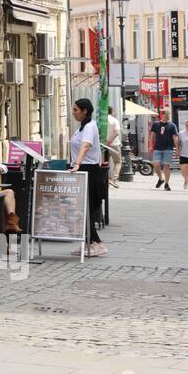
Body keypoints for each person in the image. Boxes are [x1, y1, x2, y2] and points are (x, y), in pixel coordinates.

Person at [69, 98, 107, 257]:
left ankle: (97, 244)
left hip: (89, 171)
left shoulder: (90, 127)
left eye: (76, 110)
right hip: (82, 169)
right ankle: (87, 243)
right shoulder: (81, 128)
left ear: (85, 111)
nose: (73, 113)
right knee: (81, 210)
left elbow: (85, 146)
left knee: (86, 210)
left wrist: (77, 163)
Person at [148, 111, 179, 191]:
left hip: (168, 148)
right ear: (162, 115)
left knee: (167, 166)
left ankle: (167, 184)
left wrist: (177, 149)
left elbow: (175, 137)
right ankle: (161, 178)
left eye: (168, 115)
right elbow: (151, 135)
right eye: (166, 115)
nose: (167, 117)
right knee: (155, 163)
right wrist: (151, 146)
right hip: (157, 148)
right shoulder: (156, 124)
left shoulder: (172, 125)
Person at [106, 110, 123, 188]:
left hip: (103, 144)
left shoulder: (102, 120)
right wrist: (109, 141)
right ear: (112, 112)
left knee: (105, 163)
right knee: (118, 162)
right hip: (114, 144)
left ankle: (105, 180)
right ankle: (113, 180)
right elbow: (116, 132)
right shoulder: (114, 120)